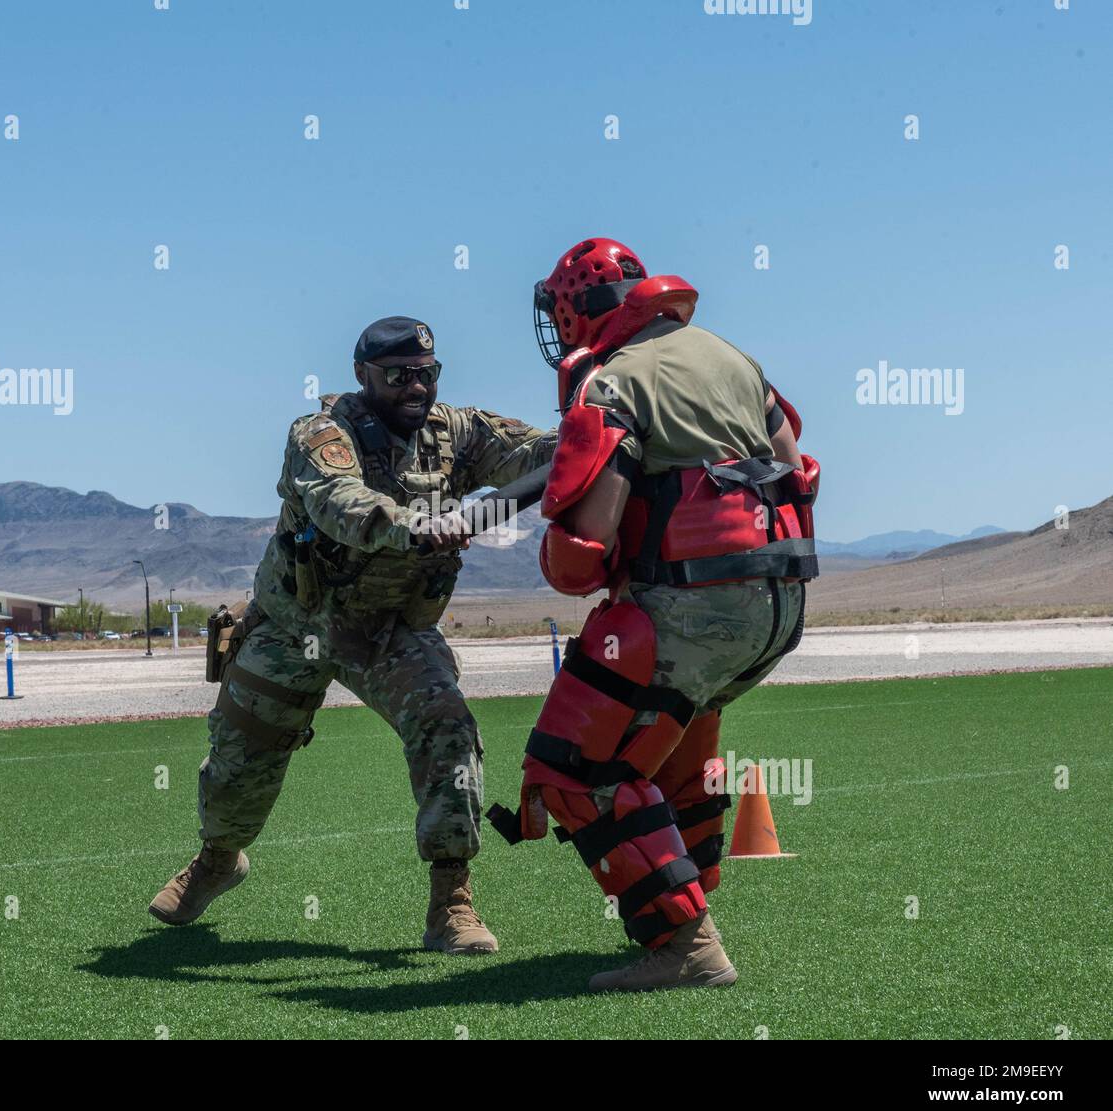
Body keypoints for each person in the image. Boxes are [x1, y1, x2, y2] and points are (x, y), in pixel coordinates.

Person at [150, 316, 554, 954]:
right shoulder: (320, 435)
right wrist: (420, 526)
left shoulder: (460, 431)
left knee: (447, 730)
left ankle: (451, 899)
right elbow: (342, 505)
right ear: (364, 376)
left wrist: (600, 432)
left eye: (427, 374)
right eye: (399, 377)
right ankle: (218, 860)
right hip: (296, 625)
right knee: (240, 763)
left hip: (387, 632)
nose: (416, 387)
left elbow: (544, 456)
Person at [488, 238, 820, 990]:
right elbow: (797, 470)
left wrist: (567, 556)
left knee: (572, 766)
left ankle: (686, 943)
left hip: (690, 602)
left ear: (580, 308)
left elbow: (585, 546)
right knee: (669, 743)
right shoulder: (733, 358)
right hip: (781, 604)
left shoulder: (613, 381)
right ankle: (690, 898)